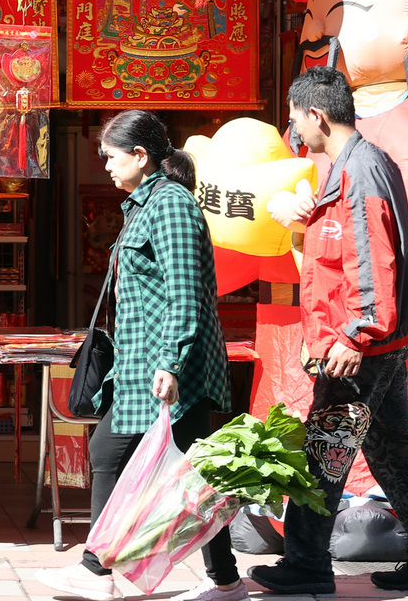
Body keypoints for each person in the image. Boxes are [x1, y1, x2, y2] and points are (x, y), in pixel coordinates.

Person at [253, 66, 408, 594]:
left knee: (325, 451)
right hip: (375, 341)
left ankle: (305, 566)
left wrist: (354, 335)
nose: (296, 132)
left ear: (316, 115)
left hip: (364, 344)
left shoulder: (359, 169)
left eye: (297, 121)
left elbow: (372, 259)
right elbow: (343, 241)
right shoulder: (355, 164)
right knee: (392, 446)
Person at [38, 109, 239, 601]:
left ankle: (95, 569)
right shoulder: (146, 204)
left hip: (168, 366)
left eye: (111, 156)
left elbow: (186, 293)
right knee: (193, 473)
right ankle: (227, 579)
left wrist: (170, 361)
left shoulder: (170, 206)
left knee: (109, 454)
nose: (105, 165)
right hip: (145, 365)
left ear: (141, 156)